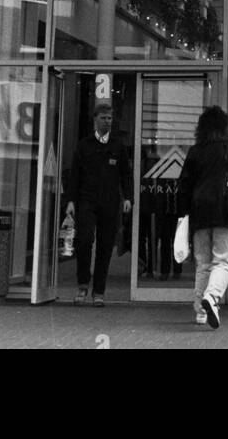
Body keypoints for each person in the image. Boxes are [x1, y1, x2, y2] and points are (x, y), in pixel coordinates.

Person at [176, 105, 228, 330]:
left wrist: (182, 214)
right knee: (224, 261)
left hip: (199, 212)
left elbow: (184, 185)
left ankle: (200, 311)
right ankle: (213, 297)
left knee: (203, 263)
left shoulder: (196, 151)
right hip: (225, 210)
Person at [66, 100, 133, 306]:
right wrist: (70, 200)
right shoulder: (84, 145)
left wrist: (128, 197)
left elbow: (126, 174)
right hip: (86, 199)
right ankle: (83, 283)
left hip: (110, 201)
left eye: (110, 118)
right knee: (84, 240)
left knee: (105, 246)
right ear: (95, 120)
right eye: (103, 118)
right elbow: (75, 174)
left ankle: (99, 291)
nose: (107, 122)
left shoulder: (117, 146)